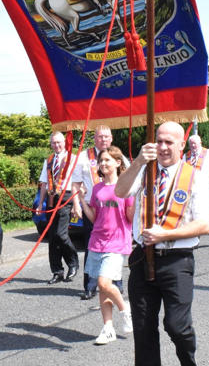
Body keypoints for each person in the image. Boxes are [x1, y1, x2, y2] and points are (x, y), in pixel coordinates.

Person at [115, 122, 209, 366]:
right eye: (159, 141)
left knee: (177, 326)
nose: (162, 147)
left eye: (169, 142)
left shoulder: (195, 177)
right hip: (142, 258)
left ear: (182, 145)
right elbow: (120, 190)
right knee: (143, 328)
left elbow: (205, 224)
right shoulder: (144, 170)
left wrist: (165, 235)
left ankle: (188, 361)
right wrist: (137, 161)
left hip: (177, 260)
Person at [78, 146, 134, 345]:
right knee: (104, 289)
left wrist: (136, 201)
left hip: (117, 242)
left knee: (103, 283)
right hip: (97, 241)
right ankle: (108, 328)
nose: (103, 164)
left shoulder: (126, 188)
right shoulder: (97, 188)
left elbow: (130, 218)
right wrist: (82, 202)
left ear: (118, 163)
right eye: (101, 161)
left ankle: (125, 310)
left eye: (107, 160)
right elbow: (95, 217)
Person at [72, 125, 129, 299]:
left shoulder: (120, 157)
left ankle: (116, 284)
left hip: (115, 210)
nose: (103, 140)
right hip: (93, 207)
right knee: (92, 248)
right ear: (94, 138)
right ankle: (89, 286)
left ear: (111, 138)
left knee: (115, 249)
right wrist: (76, 204)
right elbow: (75, 183)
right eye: (99, 137)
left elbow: (130, 178)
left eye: (106, 137)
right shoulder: (82, 157)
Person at [36, 131, 81, 286]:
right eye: (54, 142)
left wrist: (77, 204)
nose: (57, 145)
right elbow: (43, 183)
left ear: (64, 142)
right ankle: (57, 271)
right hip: (51, 199)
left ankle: (73, 262)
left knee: (61, 234)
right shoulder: (48, 161)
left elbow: (78, 182)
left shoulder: (73, 159)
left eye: (59, 142)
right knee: (52, 237)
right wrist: (40, 204)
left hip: (66, 196)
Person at [184, 135, 209, 246]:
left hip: (208, 186)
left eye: (195, 143)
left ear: (200, 142)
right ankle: (195, 239)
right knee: (193, 213)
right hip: (193, 188)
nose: (193, 145)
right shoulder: (186, 156)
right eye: (191, 143)